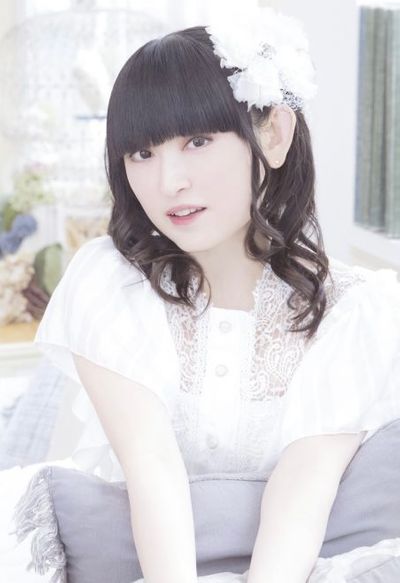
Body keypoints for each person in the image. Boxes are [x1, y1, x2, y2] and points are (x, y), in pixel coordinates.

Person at [34, 6, 400, 583]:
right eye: (142, 153)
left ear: (273, 134)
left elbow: (303, 491)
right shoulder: (110, 285)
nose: (168, 182)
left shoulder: (355, 312)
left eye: (198, 141)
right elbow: (151, 469)